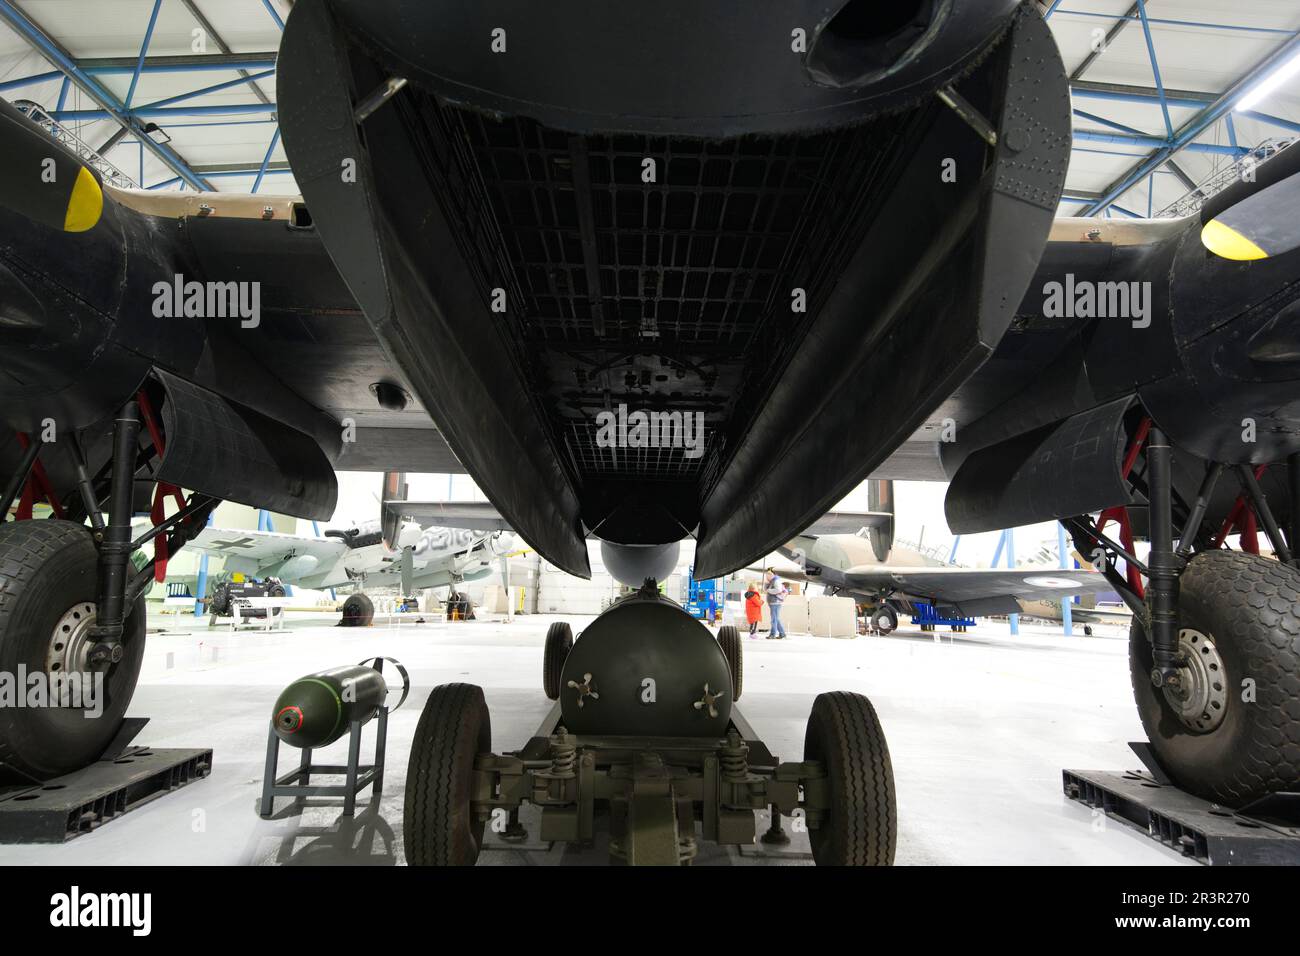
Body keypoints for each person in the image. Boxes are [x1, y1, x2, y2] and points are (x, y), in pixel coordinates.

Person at [764, 569, 787, 640]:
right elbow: (765, 589)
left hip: (776, 602)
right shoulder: (771, 581)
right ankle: (782, 633)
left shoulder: (776, 581)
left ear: (772, 574)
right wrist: (767, 583)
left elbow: (778, 590)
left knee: (774, 619)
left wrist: (769, 590)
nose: (767, 576)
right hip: (773, 602)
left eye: (768, 574)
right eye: (766, 574)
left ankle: (772, 634)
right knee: (776, 619)